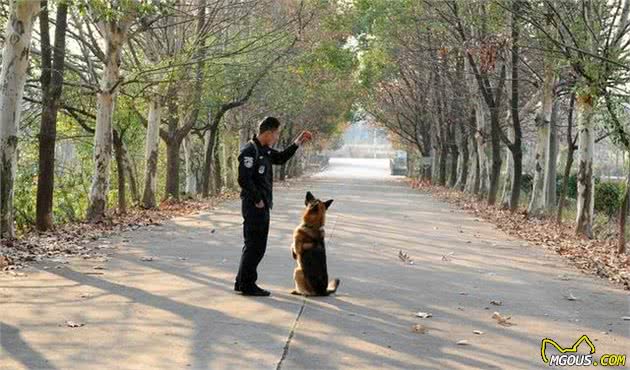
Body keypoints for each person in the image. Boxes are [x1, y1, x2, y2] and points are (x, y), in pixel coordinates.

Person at [234, 116, 312, 296]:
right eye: (276, 133)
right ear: (268, 133)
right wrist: (257, 199)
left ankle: (242, 282)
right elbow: (243, 179)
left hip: (262, 204)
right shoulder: (250, 151)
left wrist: (298, 142)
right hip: (254, 205)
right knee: (255, 246)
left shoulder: (265, 150)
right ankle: (248, 284)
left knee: (253, 246)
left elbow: (281, 158)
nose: (277, 137)